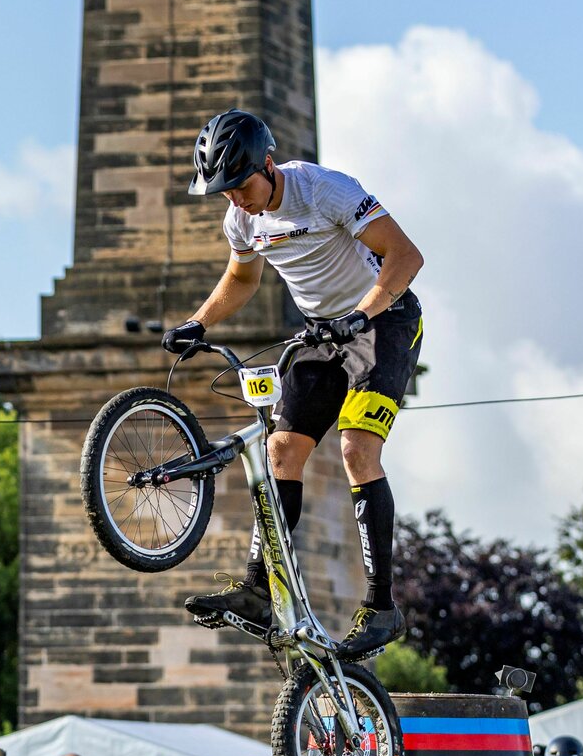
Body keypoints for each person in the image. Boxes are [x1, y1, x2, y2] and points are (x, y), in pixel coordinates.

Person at [165, 108, 426, 659]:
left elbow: (406, 256)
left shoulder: (324, 190)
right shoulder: (241, 221)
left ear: (268, 164)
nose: (236, 199)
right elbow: (242, 279)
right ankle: (260, 589)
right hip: (322, 332)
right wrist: (198, 322)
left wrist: (361, 314)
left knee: (357, 448)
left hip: (384, 320)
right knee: (280, 450)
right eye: (224, 190)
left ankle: (382, 607)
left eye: (241, 185)